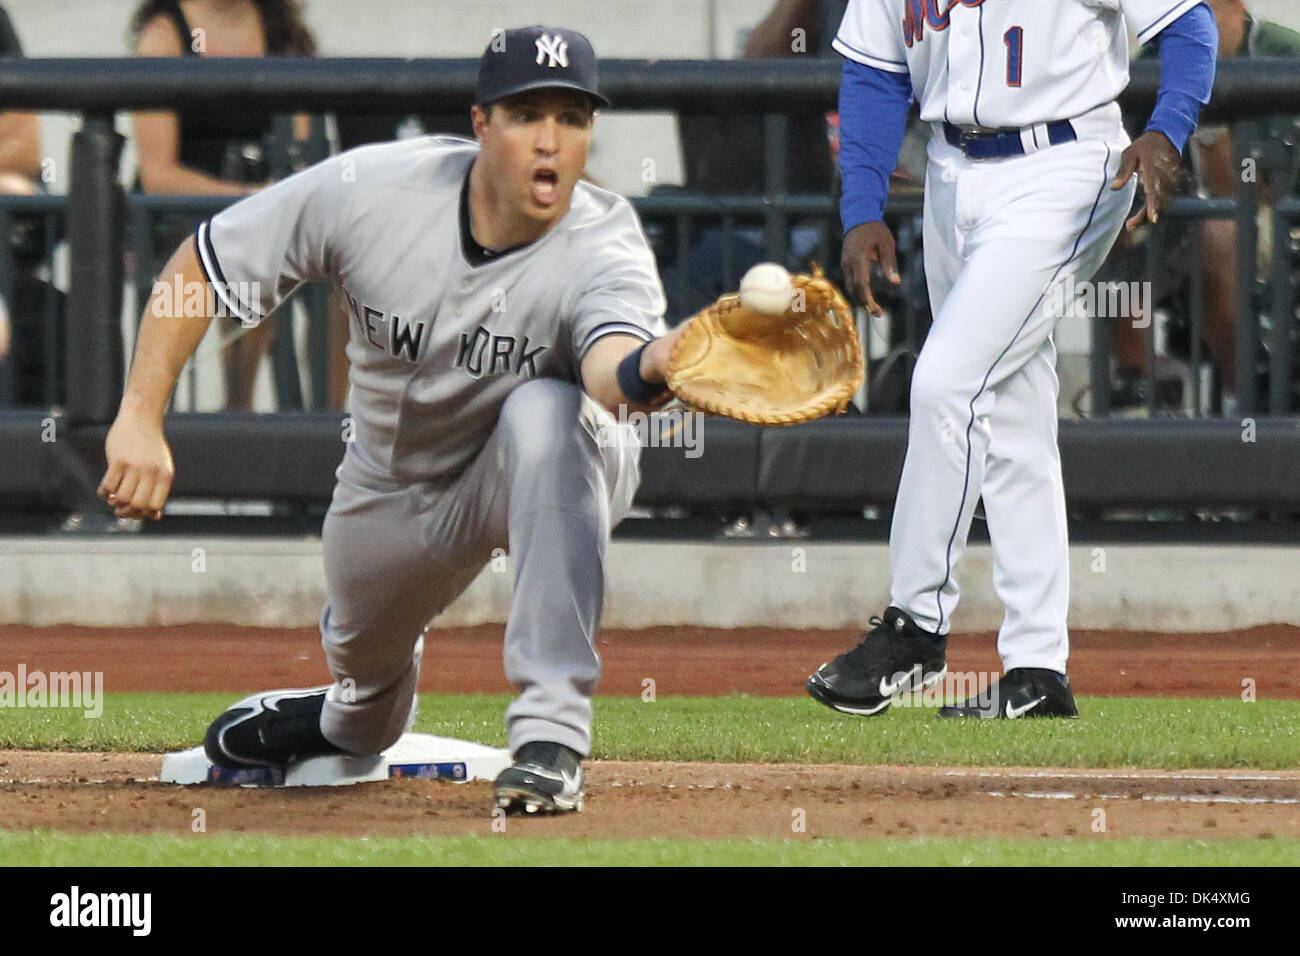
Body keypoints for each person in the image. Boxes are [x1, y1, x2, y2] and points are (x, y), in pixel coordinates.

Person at [98, 26, 685, 815]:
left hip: (522, 473)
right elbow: (202, 264)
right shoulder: (375, 189)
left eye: (573, 118)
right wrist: (140, 413)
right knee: (365, 687)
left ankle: (550, 737)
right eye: (527, 114)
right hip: (389, 490)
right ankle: (344, 713)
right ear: (481, 124)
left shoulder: (604, 244)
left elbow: (608, 372)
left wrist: (660, 364)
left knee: (552, 414)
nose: (551, 141)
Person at [806, 1, 1218, 718]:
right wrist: (863, 208)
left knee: (945, 384)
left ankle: (916, 627)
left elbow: (1192, 25)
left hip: (1067, 166)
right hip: (949, 171)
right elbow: (874, 73)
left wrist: (1166, 129)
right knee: (1015, 418)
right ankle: (1037, 670)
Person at [130, 0, 317, 411]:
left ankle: (336, 419)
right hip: (178, 219)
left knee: (345, 269)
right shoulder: (163, 36)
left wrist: (271, 200)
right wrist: (245, 200)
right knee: (247, 257)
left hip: (269, 211)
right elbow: (158, 174)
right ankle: (236, 413)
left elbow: (301, 151)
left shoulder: (283, 35)